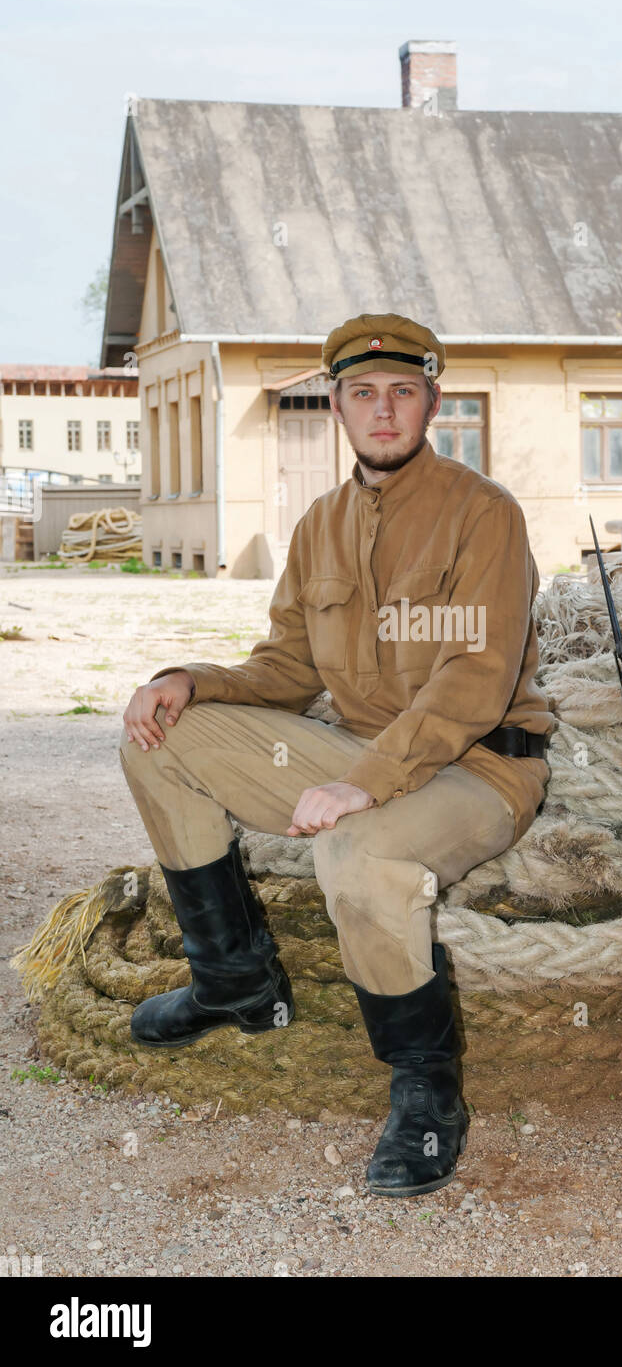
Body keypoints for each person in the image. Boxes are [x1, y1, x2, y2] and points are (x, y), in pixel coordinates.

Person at [119, 312, 554, 1197]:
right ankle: (235, 983)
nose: (382, 411)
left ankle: (424, 1088)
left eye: (401, 392)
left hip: (477, 767)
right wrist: (189, 682)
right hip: (357, 749)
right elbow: (286, 667)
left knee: (355, 853)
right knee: (162, 737)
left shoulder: (483, 514)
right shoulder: (318, 525)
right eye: (363, 394)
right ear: (338, 407)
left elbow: (473, 681)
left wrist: (361, 785)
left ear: (432, 402)